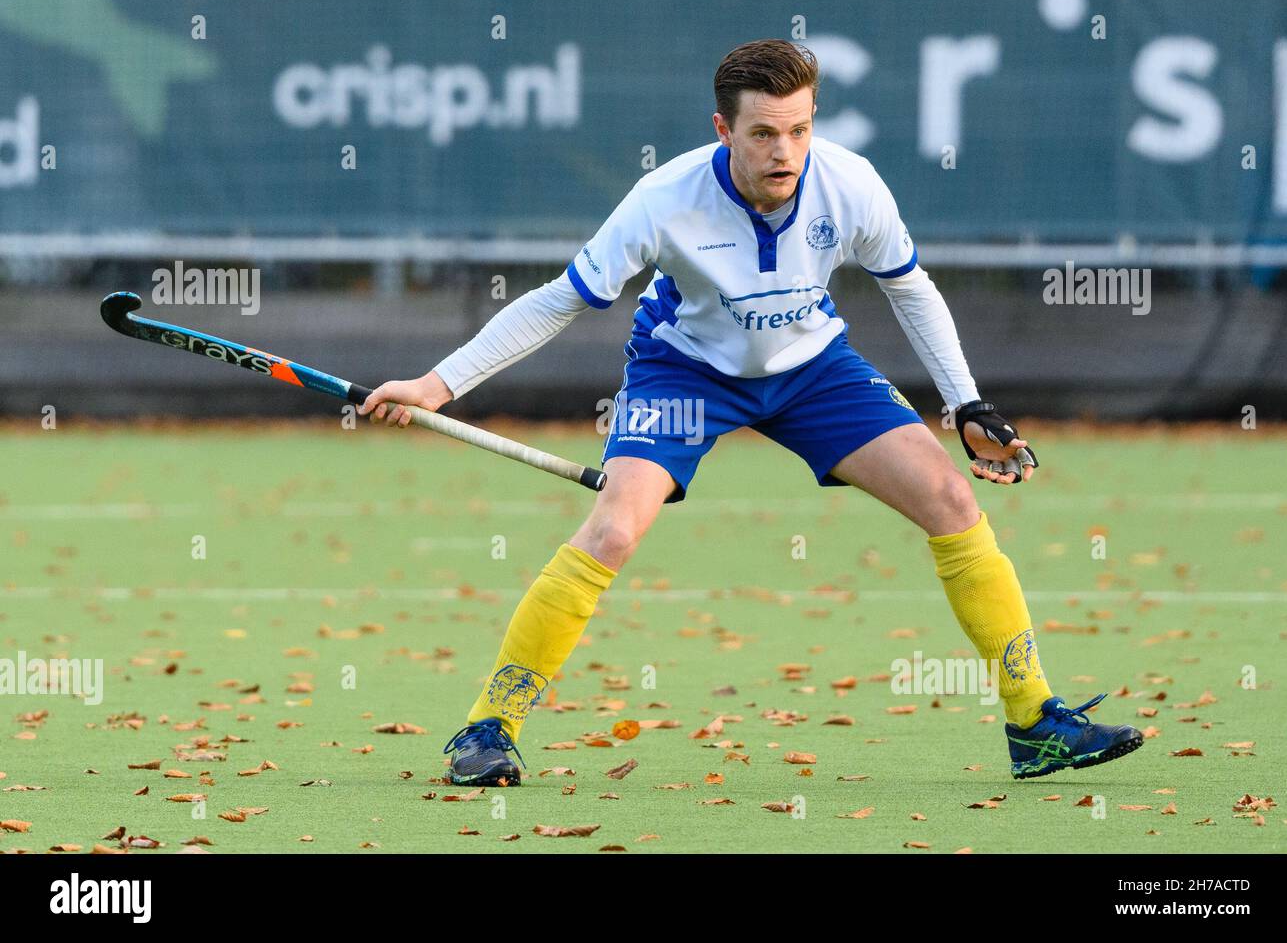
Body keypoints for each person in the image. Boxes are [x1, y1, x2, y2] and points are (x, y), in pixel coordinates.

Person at [358, 39, 1143, 784]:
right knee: (615, 529)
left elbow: (910, 287)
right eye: (764, 132)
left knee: (951, 498)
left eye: (799, 129)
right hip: (685, 373)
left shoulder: (849, 183)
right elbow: (562, 300)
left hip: (812, 368)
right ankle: (489, 728)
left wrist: (966, 402)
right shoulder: (665, 200)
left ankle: (1035, 725)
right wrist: (439, 384)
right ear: (723, 129)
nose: (785, 152)